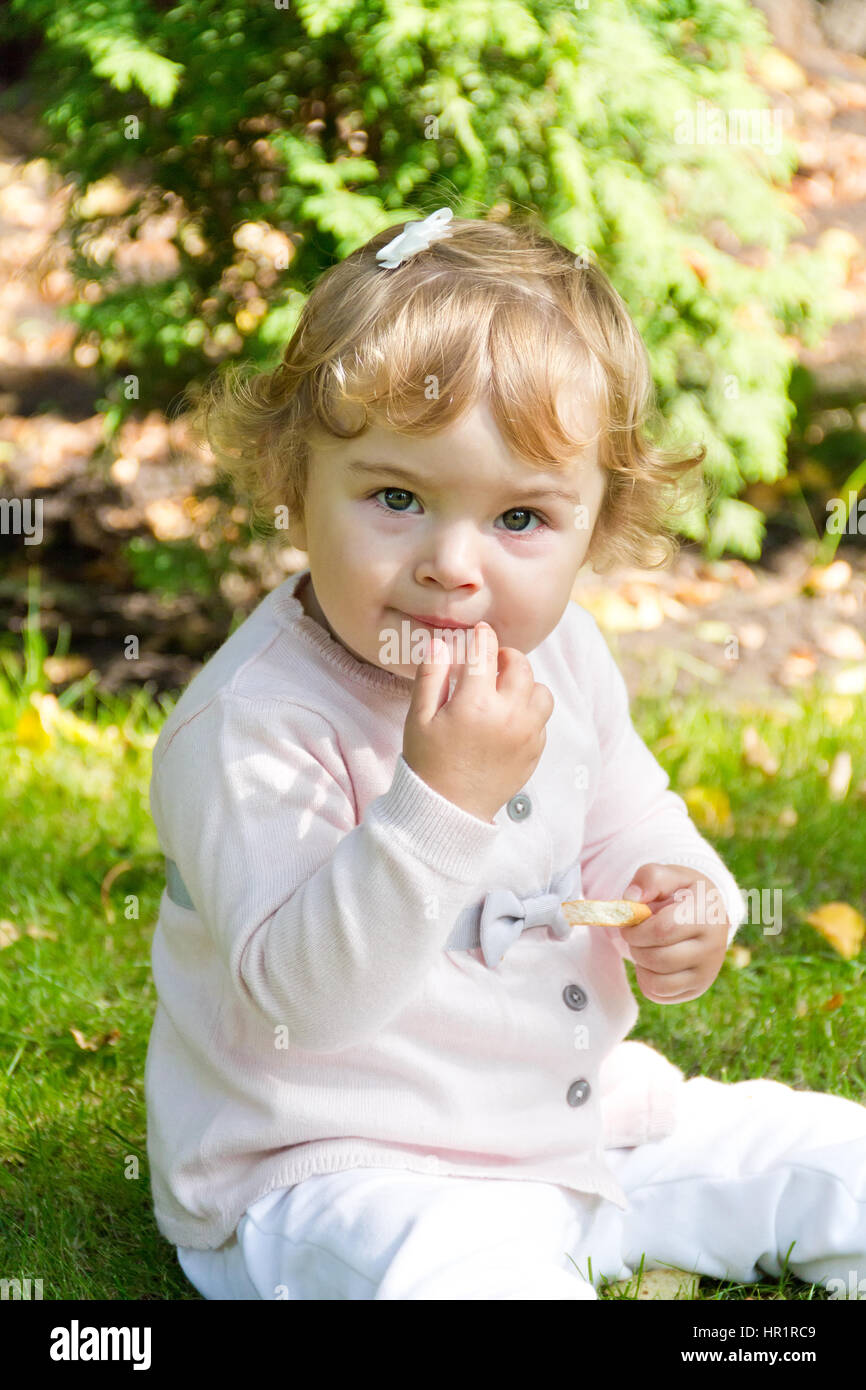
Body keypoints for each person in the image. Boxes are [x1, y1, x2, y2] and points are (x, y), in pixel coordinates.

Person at [145, 208, 866, 1300]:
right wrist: (438, 797)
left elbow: (630, 810)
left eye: (520, 517)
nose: (450, 564)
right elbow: (303, 1002)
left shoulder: (559, 649)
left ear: (597, 523)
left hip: (570, 1122)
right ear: (295, 482)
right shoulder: (255, 724)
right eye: (396, 498)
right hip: (341, 1171)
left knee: (832, 1162)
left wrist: (680, 893)